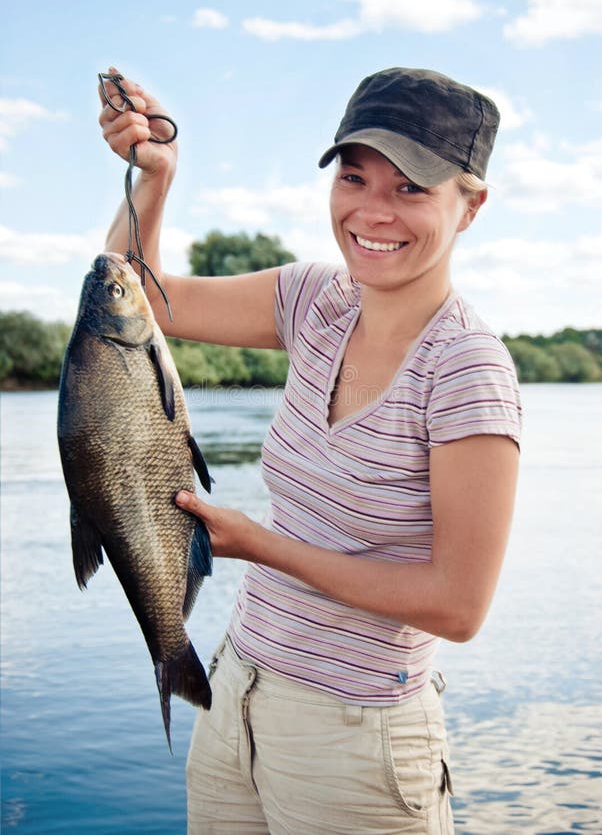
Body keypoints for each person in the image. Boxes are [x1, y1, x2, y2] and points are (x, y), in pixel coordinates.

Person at [99, 66, 521, 834]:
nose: (372, 211)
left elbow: (458, 606)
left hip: (358, 740)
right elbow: (132, 298)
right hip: (236, 692)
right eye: (354, 178)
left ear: (471, 206)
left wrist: (260, 544)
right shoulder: (314, 300)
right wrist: (156, 177)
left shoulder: (468, 368)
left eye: (411, 189)